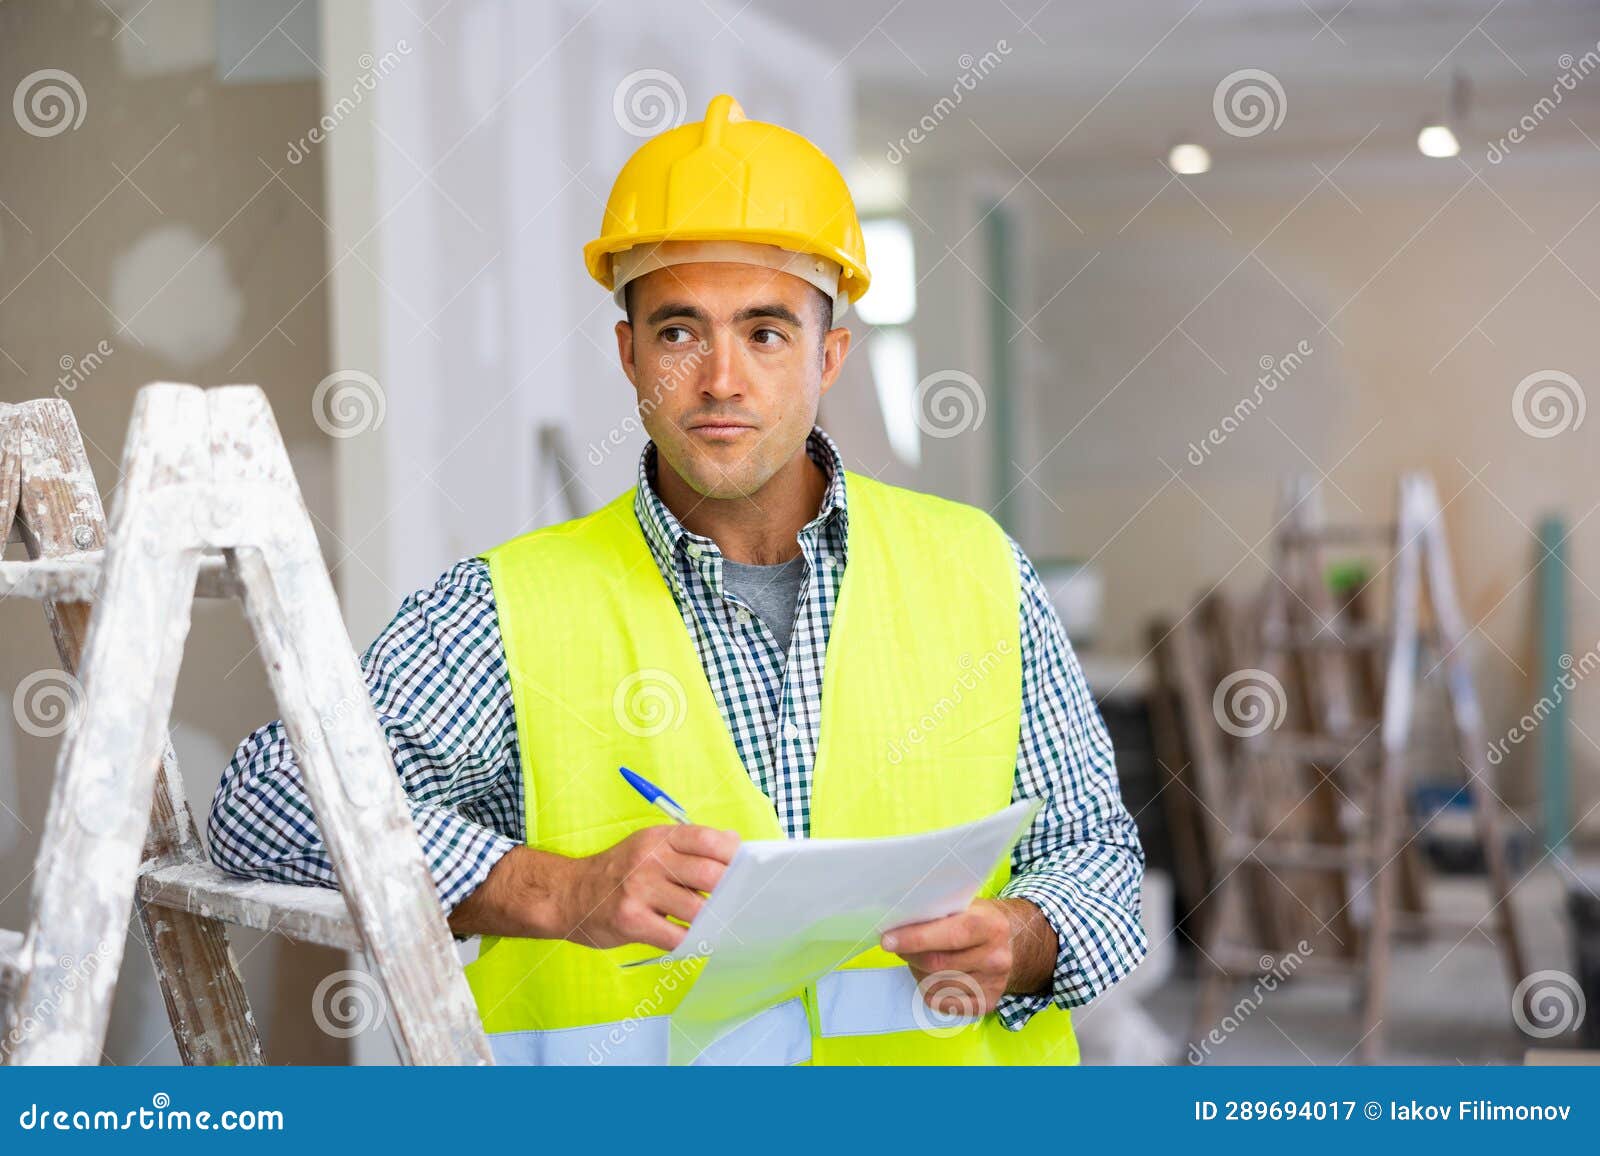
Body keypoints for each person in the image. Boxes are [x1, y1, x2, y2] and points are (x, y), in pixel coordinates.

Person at [210, 94, 1146, 1065]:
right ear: (628, 354)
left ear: (829, 355)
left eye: (766, 332)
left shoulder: (979, 571)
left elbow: (1096, 860)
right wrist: (554, 889)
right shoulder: (504, 611)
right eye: (678, 331)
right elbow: (263, 801)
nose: (721, 380)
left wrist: (1024, 939)